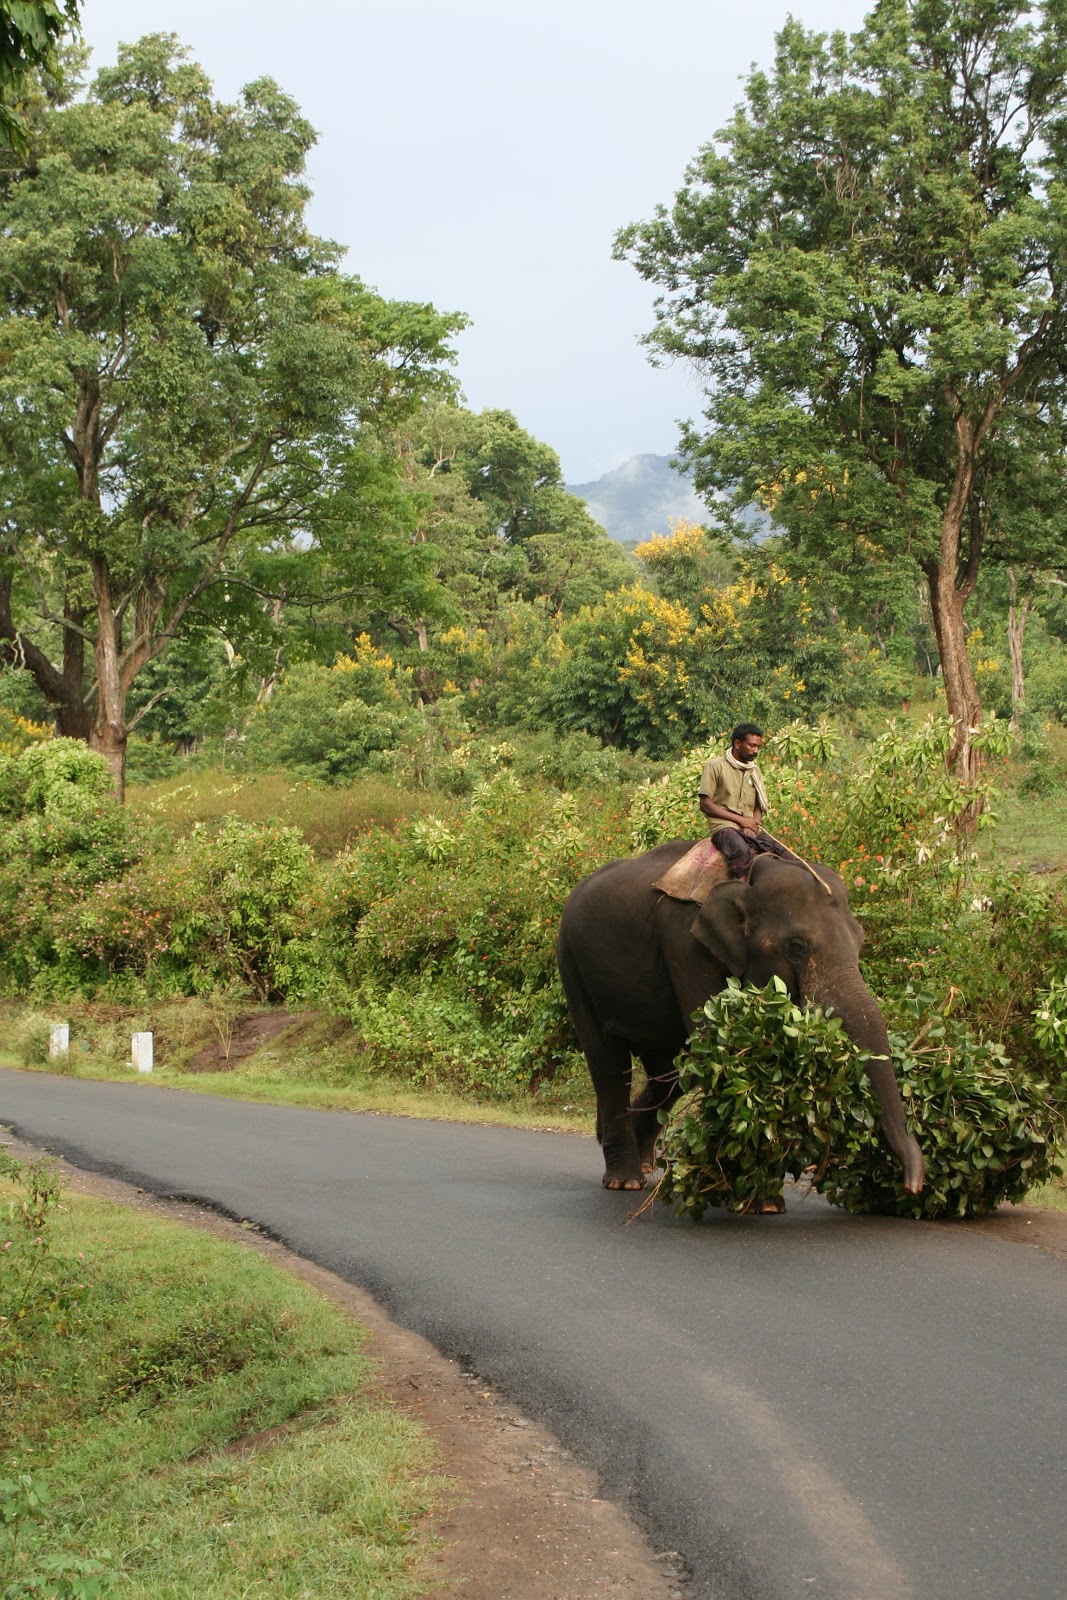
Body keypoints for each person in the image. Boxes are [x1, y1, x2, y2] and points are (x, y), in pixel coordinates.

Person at [698, 722, 772, 879]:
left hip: (750, 827)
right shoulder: (715, 766)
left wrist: (753, 824)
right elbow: (705, 804)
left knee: (783, 853)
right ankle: (735, 894)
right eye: (752, 746)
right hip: (724, 827)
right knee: (741, 852)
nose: (756, 751)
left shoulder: (754, 770)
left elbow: (758, 805)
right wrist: (742, 821)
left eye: (758, 747)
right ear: (738, 744)